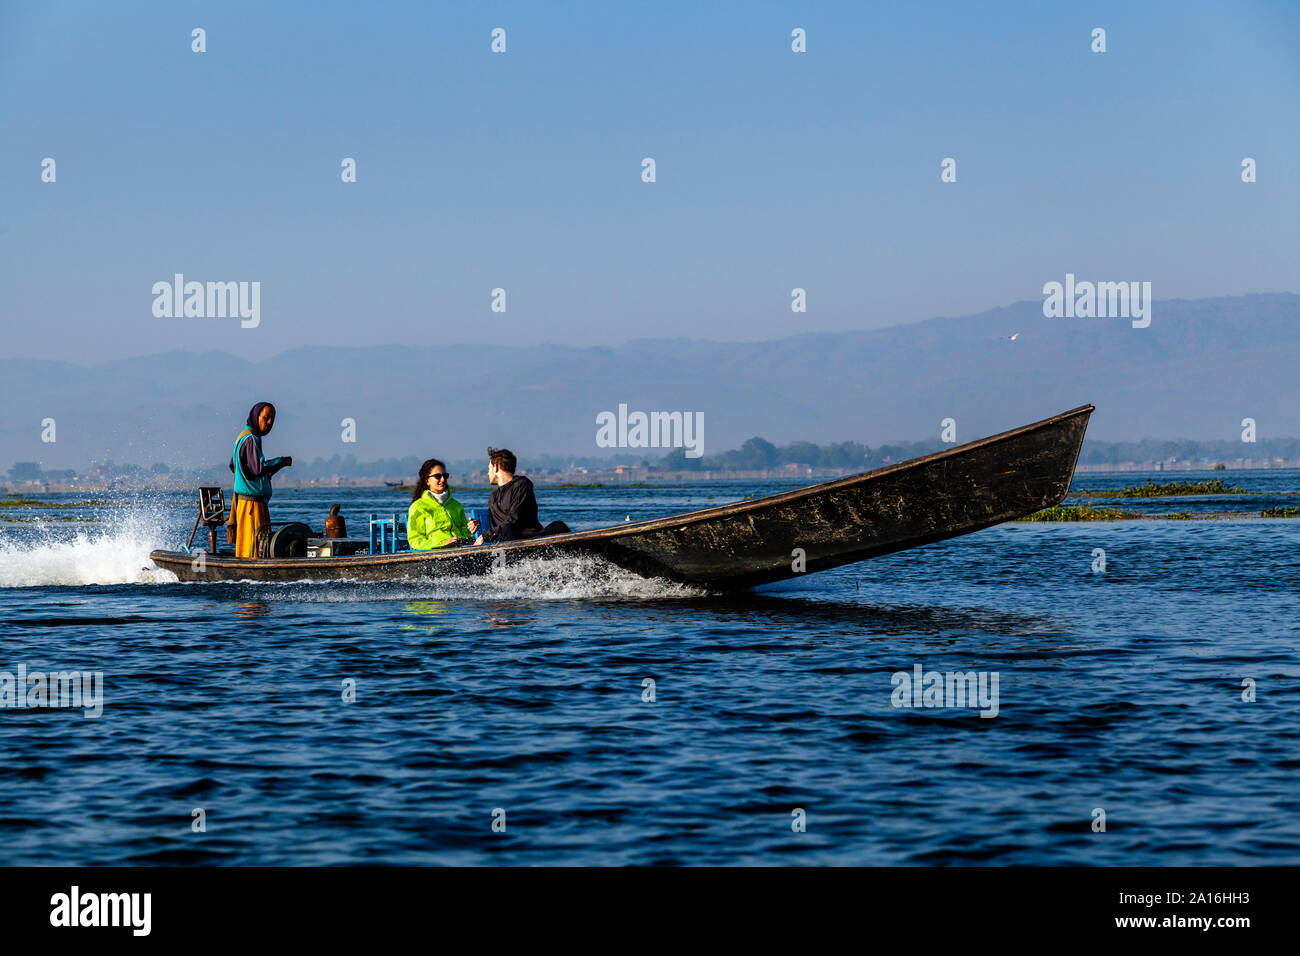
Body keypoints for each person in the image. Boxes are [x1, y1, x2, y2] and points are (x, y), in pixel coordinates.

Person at [226, 402, 292, 559]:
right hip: (251, 506)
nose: (269, 422)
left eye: (272, 419)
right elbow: (259, 468)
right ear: (256, 416)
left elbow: (233, 465)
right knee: (256, 549)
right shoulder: (250, 439)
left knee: (253, 546)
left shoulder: (244, 436)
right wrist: (282, 461)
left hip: (250, 504)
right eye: (266, 417)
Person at [471, 447, 570, 544]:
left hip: (528, 538)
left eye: (489, 469)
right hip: (503, 540)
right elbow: (494, 528)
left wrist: (487, 535)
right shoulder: (493, 497)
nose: (488, 473)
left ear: (496, 467)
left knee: (559, 526)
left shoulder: (522, 485)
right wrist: (475, 526)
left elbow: (515, 519)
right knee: (506, 530)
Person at [407, 458, 474, 550]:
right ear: (427, 480)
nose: (443, 479)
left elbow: (465, 532)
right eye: (437, 476)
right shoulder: (418, 507)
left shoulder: (456, 505)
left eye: (445, 476)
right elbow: (415, 540)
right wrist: (442, 543)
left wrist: (471, 529)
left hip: (460, 547)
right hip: (437, 552)